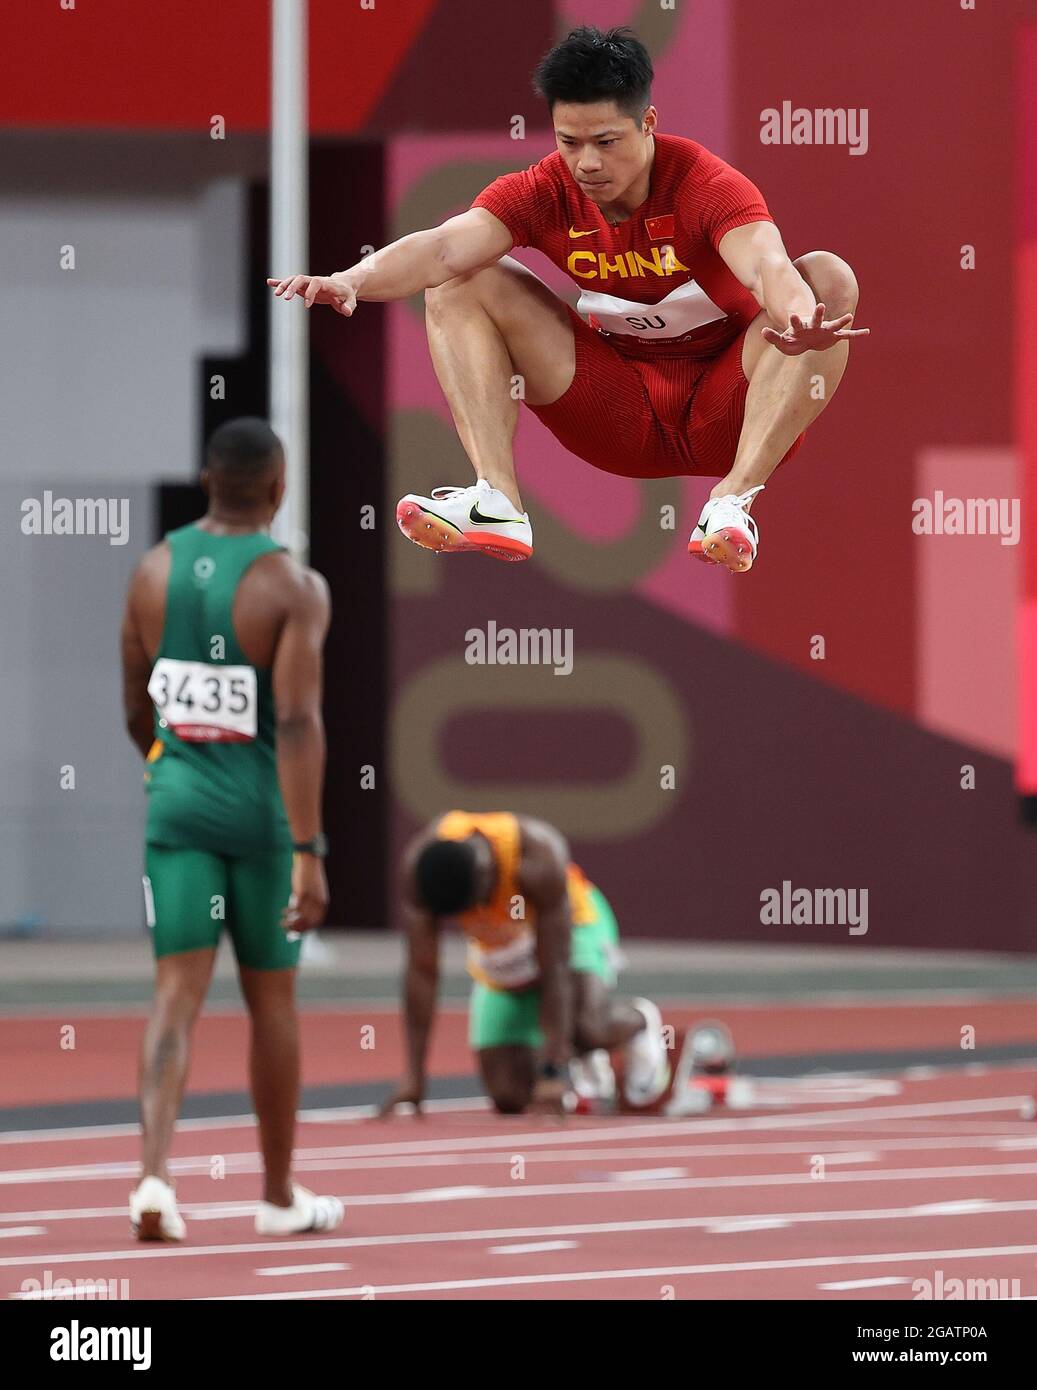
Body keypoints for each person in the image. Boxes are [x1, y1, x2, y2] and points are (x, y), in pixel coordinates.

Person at [268, 25, 867, 574]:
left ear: (649, 123)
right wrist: (353, 277)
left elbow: (767, 266)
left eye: (606, 142)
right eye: (570, 141)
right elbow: (445, 248)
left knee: (827, 279)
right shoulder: (544, 189)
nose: (587, 162)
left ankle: (732, 503)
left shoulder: (707, 186)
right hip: (617, 415)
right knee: (462, 281)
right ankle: (496, 499)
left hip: (730, 411)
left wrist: (798, 320)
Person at [120, 417, 343, 1240]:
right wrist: (311, 852)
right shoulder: (292, 588)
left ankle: (152, 1180)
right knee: (271, 1001)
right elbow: (296, 724)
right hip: (260, 821)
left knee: (173, 999)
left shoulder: (151, 570)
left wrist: (170, 764)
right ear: (279, 489)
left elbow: (135, 703)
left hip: (175, 808)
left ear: (206, 482)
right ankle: (279, 1197)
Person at [381, 810, 670, 1116]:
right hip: (502, 948)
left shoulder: (537, 856)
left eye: (477, 903)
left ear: (486, 873)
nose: (476, 913)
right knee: (510, 1095)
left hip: (575, 926)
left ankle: (636, 1023)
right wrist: (414, 1076)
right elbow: (422, 972)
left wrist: (552, 1071)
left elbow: (555, 967)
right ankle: (577, 1054)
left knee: (586, 1029)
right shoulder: (419, 869)